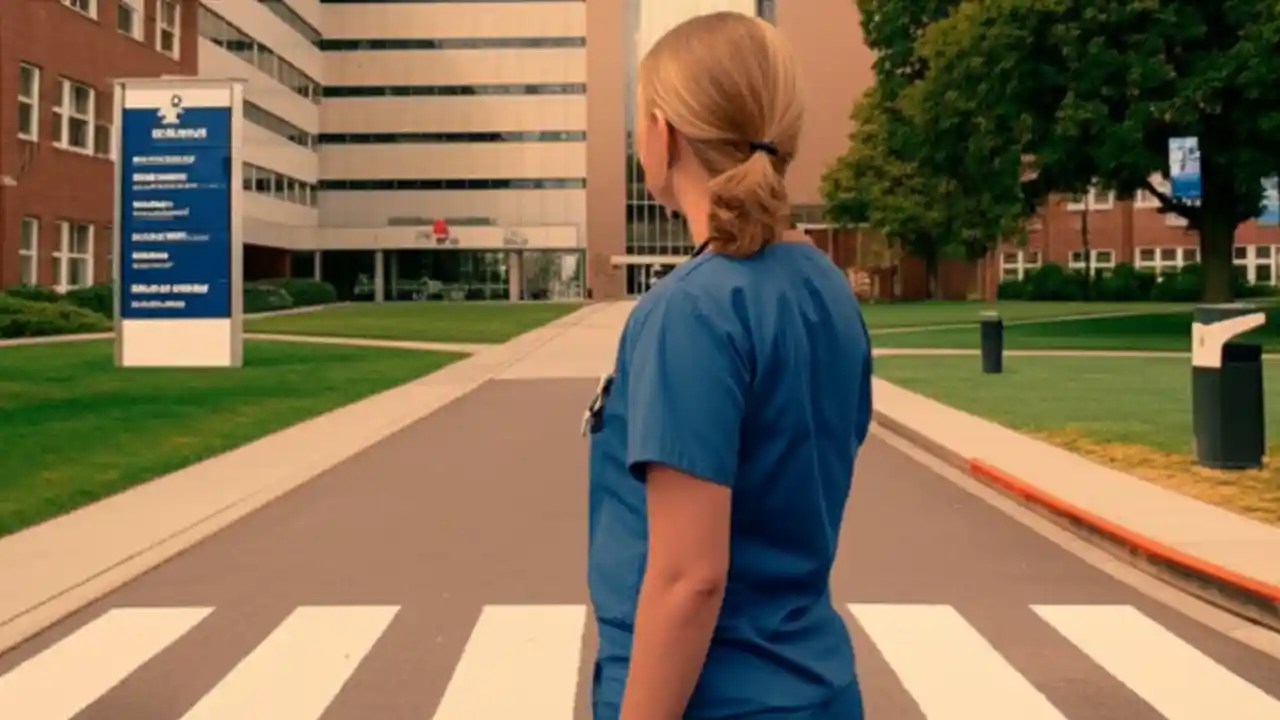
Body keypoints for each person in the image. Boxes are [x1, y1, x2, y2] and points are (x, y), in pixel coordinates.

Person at [585, 11, 873, 720]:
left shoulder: (690, 312)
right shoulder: (827, 287)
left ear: (663, 134)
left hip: (715, 700)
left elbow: (689, 579)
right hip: (819, 687)